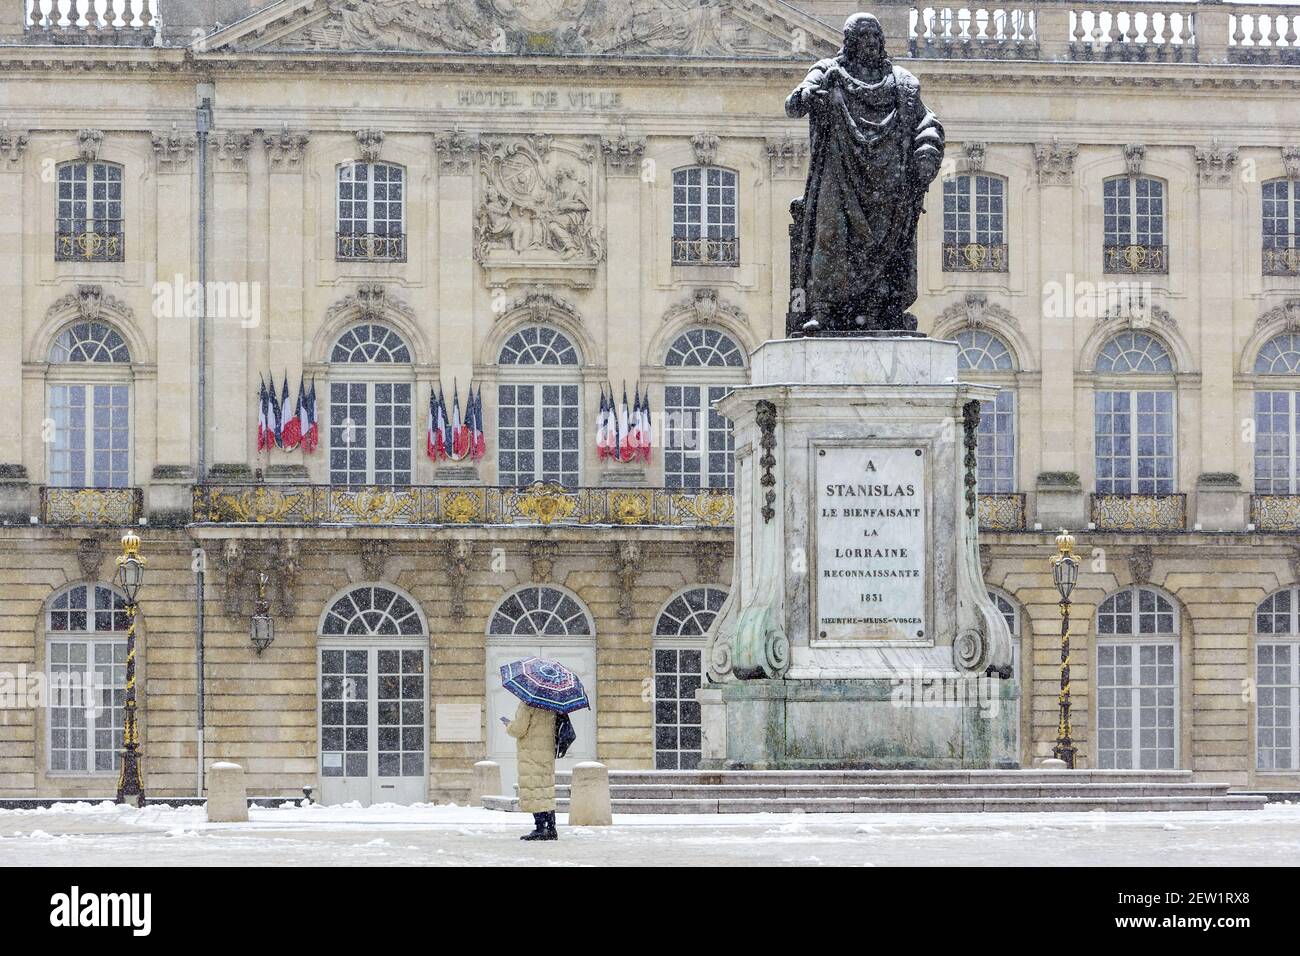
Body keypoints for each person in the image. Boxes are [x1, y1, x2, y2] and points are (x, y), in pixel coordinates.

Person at [784, 12, 945, 336]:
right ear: (850, 42)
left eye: (875, 36)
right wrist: (806, 97)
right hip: (839, 172)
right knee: (829, 236)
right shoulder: (829, 73)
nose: (870, 42)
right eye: (863, 37)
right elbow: (794, 103)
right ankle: (824, 310)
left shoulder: (902, 83)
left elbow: (927, 123)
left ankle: (877, 310)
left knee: (885, 249)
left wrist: (927, 150)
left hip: (887, 184)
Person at [505, 700, 559, 841]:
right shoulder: (552, 703)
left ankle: (540, 828)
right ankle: (551, 828)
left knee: (534, 789)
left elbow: (519, 729)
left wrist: (509, 725)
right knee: (545, 790)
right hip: (546, 750)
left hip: (531, 751)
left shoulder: (528, 703)